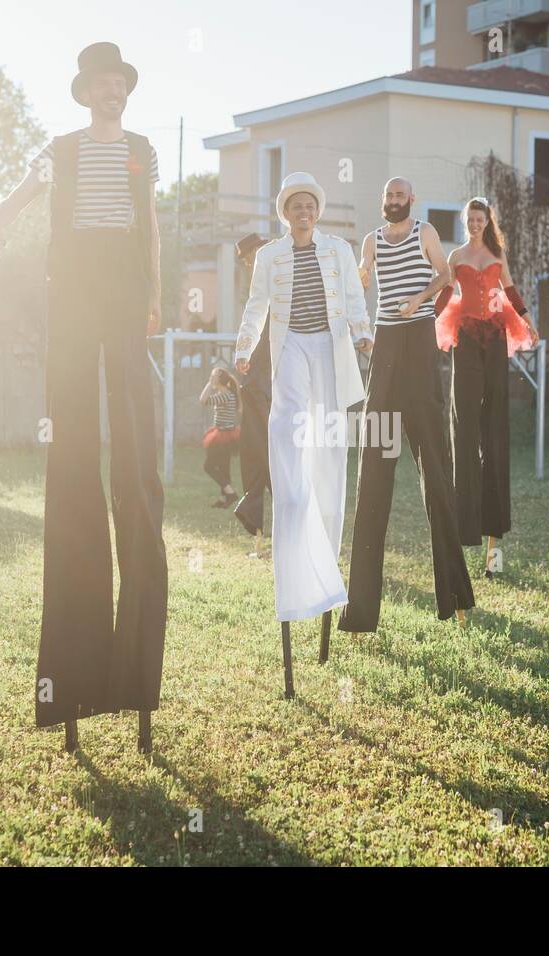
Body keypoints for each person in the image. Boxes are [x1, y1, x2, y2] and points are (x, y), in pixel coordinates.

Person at [0, 41, 166, 754]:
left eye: (119, 82)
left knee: (134, 453)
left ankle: (134, 677)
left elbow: (149, 223)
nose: (110, 91)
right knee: (73, 451)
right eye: (100, 83)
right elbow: (21, 196)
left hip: (123, 284)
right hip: (74, 285)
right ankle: (73, 678)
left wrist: (152, 296)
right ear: (85, 90)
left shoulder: (143, 149)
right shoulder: (59, 147)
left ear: (126, 90)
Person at [233, 172, 372, 695]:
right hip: (291, 345)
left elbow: (356, 304)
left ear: (318, 209)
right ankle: (288, 493)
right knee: (287, 422)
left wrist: (363, 335)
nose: (303, 212)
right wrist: (245, 348)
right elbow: (256, 306)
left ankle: (321, 525)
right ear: (284, 212)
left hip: (330, 349)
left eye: (310, 204)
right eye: (295, 206)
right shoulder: (270, 256)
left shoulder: (337, 250)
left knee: (330, 444)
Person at [338, 178, 475, 633]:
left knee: (435, 470)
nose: (393, 201)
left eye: (400, 196)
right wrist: (345, 282)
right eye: (388, 196)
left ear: (410, 200)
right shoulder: (372, 240)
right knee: (373, 470)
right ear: (383, 202)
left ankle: (454, 593)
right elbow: (360, 277)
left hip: (418, 342)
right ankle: (359, 613)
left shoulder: (425, 233)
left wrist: (419, 299)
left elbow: (446, 276)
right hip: (384, 349)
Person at [435, 198, 538, 577]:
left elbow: (509, 290)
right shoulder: (457, 255)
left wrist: (528, 320)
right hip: (465, 335)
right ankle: (463, 534)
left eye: (481, 219)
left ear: (487, 221)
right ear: (465, 222)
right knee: (464, 424)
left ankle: (494, 554)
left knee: (495, 428)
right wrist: (425, 318)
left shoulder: (496, 253)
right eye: (471, 220)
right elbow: (446, 293)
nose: (476, 224)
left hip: (495, 335)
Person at [231, 233, 273, 539]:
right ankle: (253, 512)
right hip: (256, 382)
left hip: (267, 383)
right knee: (256, 450)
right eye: (246, 260)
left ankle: (254, 510)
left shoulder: (275, 284)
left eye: (251, 256)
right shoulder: (257, 287)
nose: (249, 264)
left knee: (266, 450)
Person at [199, 365, 241, 508]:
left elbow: (203, 400)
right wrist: (212, 383)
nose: (211, 378)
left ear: (219, 380)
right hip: (227, 435)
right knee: (223, 468)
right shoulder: (227, 393)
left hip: (222, 436)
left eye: (213, 377)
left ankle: (231, 494)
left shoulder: (224, 395)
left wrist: (209, 385)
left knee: (208, 466)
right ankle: (224, 499)